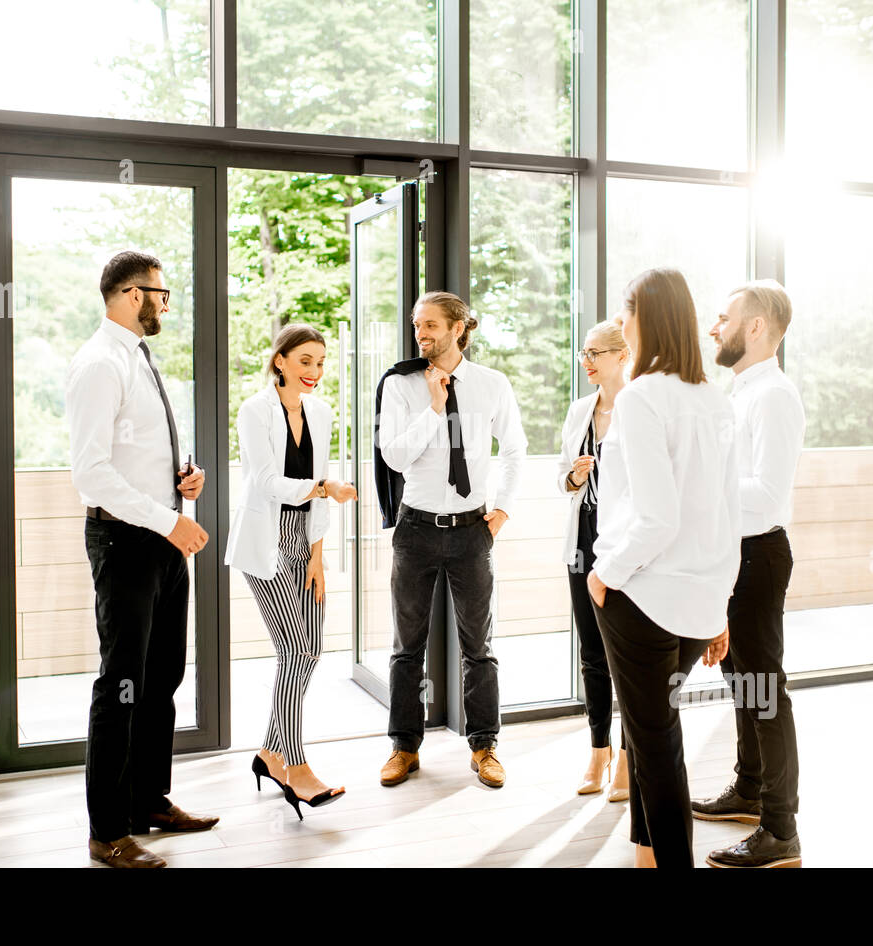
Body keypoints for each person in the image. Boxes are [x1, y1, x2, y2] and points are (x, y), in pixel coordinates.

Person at [66, 250, 219, 869]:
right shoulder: (100, 364)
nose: (165, 303)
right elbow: (93, 473)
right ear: (131, 293)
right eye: (160, 293)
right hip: (127, 543)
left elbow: (131, 456)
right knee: (122, 685)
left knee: (161, 679)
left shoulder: (137, 358)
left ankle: (148, 801)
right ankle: (108, 833)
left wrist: (179, 484)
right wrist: (170, 519)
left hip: (160, 535)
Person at [586, 267, 740, 869]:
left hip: (641, 595)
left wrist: (605, 574)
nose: (622, 326)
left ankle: (667, 861)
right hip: (697, 602)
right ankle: (647, 855)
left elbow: (655, 517)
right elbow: (730, 515)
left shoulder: (643, 396)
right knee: (653, 730)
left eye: (626, 315)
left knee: (653, 743)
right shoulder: (715, 399)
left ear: (646, 319)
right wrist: (720, 602)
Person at [376, 291, 527, 789]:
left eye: (433, 325)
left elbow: (514, 449)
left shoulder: (492, 384)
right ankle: (404, 748)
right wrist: (434, 409)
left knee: (479, 646)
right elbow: (394, 457)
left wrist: (502, 509)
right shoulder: (401, 386)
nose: (422, 333)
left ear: (459, 328)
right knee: (406, 647)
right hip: (415, 529)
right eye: (418, 324)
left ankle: (485, 746)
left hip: (472, 531)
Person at [683, 280, 806, 868]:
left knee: (764, 693)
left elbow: (768, 495)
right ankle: (750, 790)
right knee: (740, 683)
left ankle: (780, 832)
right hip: (734, 557)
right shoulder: (739, 392)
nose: (714, 327)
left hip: (758, 557)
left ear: (755, 327)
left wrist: (700, 486)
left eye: (724, 318)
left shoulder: (773, 397)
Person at [226, 324, 358, 820]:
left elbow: (315, 493)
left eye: (321, 362)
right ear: (279, 360)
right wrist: (323, 486)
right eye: (305, 361)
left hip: (305, 541)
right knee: (295, 649)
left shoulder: (320, 413)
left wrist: (318, 556)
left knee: (311, 650)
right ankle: (293, 764)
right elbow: (264, 483)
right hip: (266, 541)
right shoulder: (255, 410)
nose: (315, 372)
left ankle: (268, 752)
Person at [556, 316, 634, 798]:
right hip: (583, 540)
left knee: (624, 654)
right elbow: (562, 480)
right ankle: (598, 751)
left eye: (595, 353)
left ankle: (628, 758)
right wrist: (575, 477)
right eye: (583, 354)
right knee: (591, 653)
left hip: (624, 546)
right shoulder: (579, 409)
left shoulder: (640, 407)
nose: (586, 361)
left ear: (622, 355)